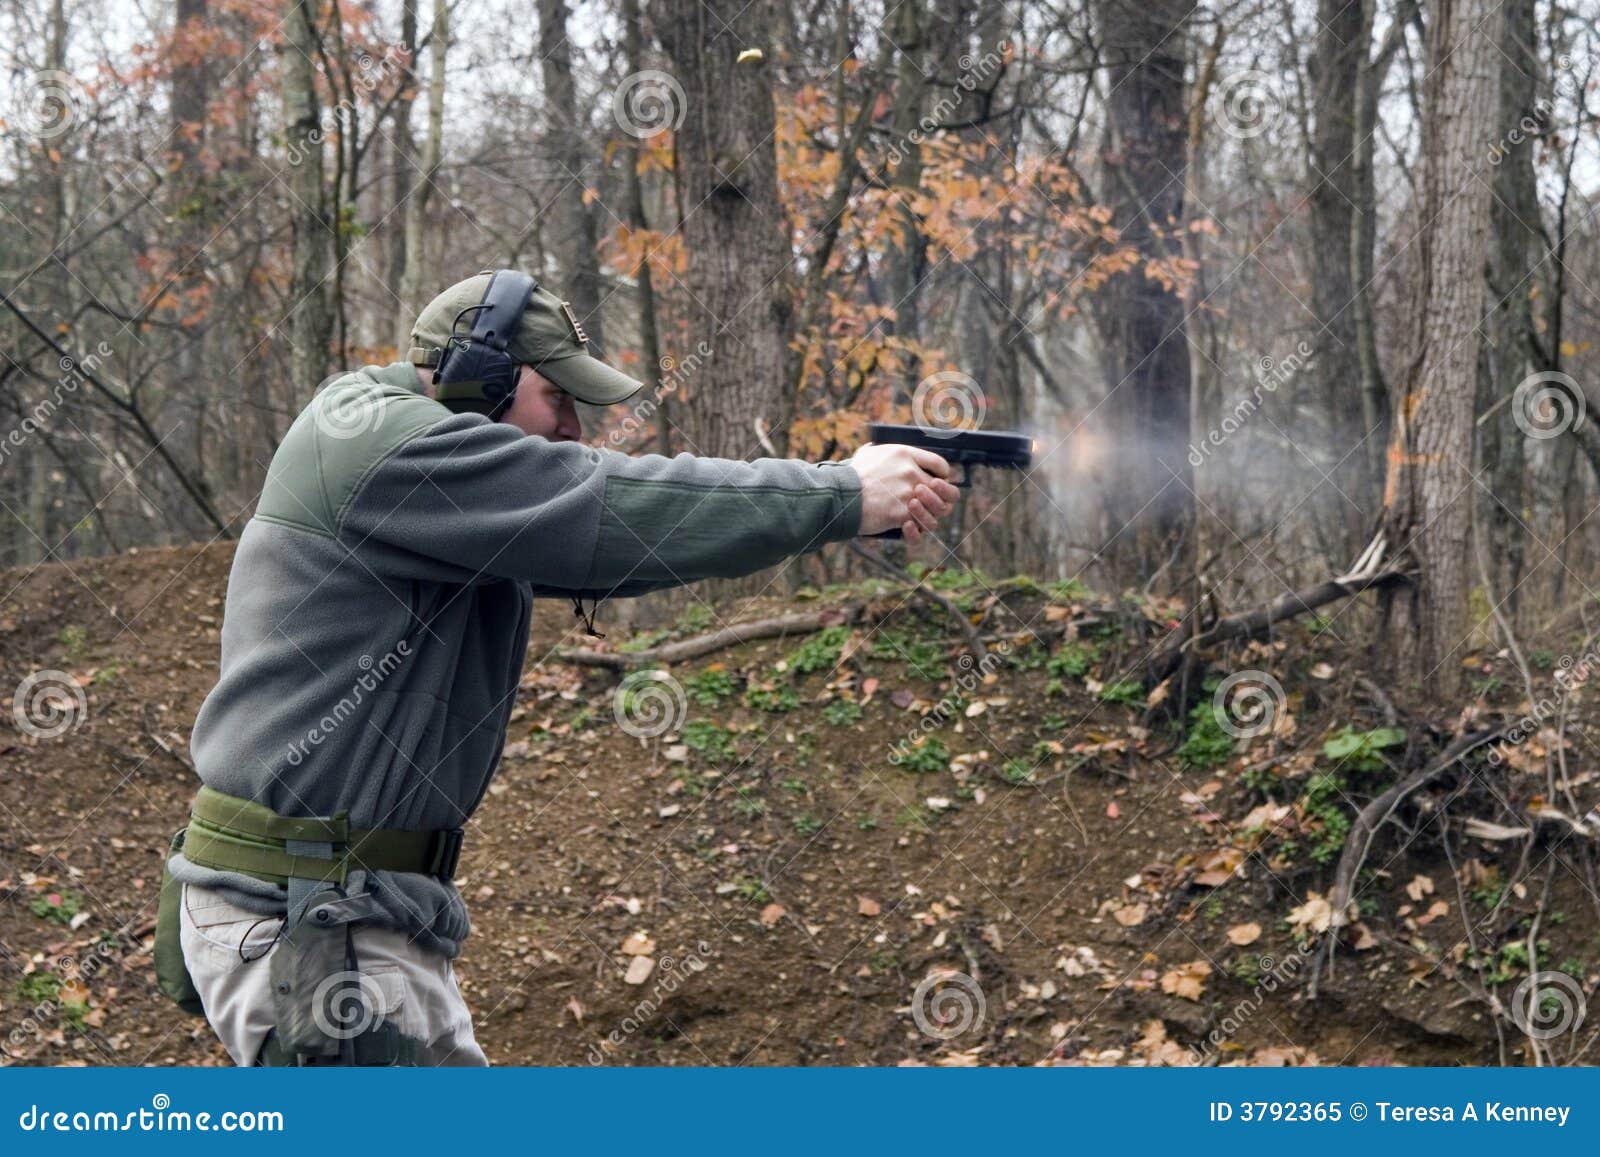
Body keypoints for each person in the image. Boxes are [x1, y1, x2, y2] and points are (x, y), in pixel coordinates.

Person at [159, 269, 959, 1066]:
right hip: (310, 912)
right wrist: (841, 492)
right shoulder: (373, 439)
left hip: (364, 909)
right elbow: (604, 509)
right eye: (561, 399)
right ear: (481, 378)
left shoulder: (430, 469)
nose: (575, 427)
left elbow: (621, 547)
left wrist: (834, 503)